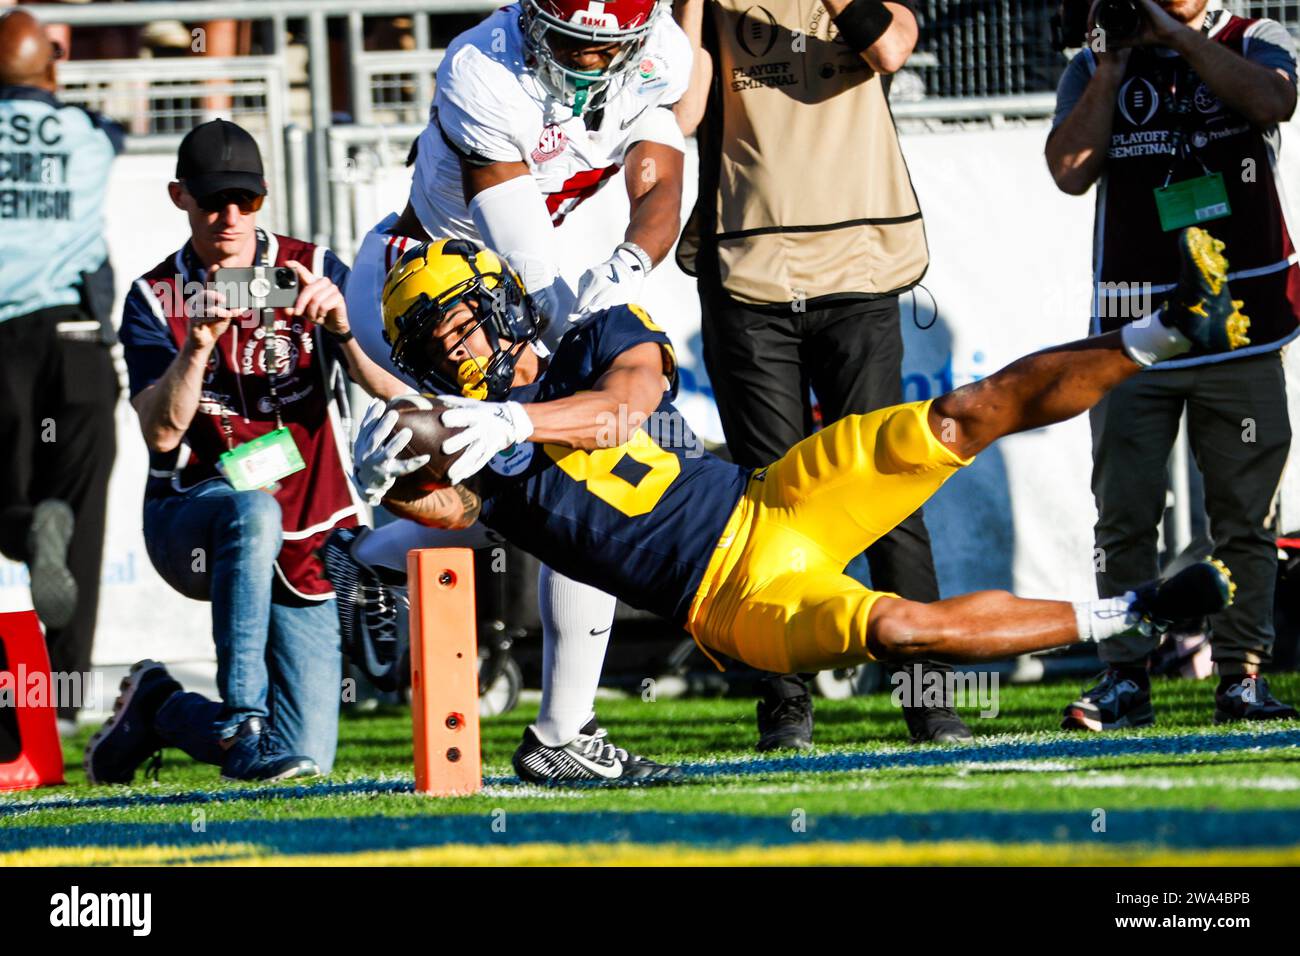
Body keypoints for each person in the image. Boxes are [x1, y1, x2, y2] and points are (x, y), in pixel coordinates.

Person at [353, 228, 1245, 704]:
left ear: (500, 305)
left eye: (460, 323)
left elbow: (623, 409)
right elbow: (445, 515)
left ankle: (1169, 330)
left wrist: (516, 415)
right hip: (733, 605)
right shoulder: (467, 441)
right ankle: (1136, 609)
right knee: (900, 629)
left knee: (959, 416)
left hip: (775, 502)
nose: (454, 352)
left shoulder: (587, 339)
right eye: (435, 345)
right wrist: (386, 475)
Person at [325, 0, 693, 785]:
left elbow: (660, 181)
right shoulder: (482, 68)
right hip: (430, 291)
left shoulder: (662, 52)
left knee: (549, 498)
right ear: (532, 22)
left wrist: (632, 262)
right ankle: (562, 731)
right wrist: (592, 352)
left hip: (506, 295)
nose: (591, 65)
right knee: (554, 479)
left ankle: (371, 558)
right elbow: (523, 252)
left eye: (608, 50)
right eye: (571, 45)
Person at [671, 0, 969, 749]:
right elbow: (680, 113)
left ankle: (929, 702)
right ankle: (784, 707)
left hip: (860, 276)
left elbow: (893, 47)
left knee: (891, 491)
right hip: (747, 280)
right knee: (767, 505)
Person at [84, 119, 407, 785]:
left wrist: (344, 328)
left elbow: (392, 391)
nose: (230, 217)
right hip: (194, 518)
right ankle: (239, 718)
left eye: (247, 201)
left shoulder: (311, 269)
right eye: (212, 202)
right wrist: (196, 346)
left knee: (306, 762)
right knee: (252, 511)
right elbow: (161, 434)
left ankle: (160, 709)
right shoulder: (156, 295)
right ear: (180, 198)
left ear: (264, 198)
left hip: (313, 526)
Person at [1046, 0, 1299, 728]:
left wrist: (1184, 41)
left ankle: (1241, 677)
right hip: (1135, 334)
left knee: (1245, 518)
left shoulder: (1253, 38)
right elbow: (1067, 170)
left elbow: (1273, 100)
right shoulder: (1098, 58)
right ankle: (1125, 676)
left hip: (1240, 325)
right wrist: (1117, 62)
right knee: (1124, 515)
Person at [0, 9, 121, 734]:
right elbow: (113, 130)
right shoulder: (88, 136)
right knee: (82, 521)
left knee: (9, 505)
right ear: (50, 66)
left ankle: (23, 526)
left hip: (3, 340)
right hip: (76, 339)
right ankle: (65, 700)